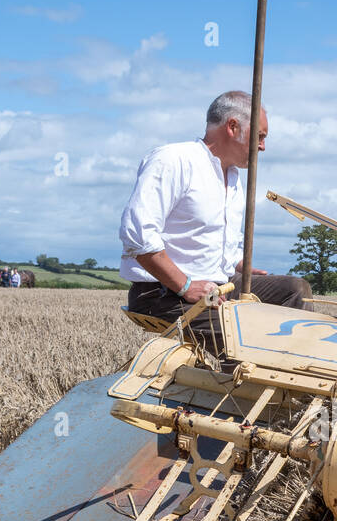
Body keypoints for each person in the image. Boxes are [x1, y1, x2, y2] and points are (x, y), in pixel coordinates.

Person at [118, 90, 311, 354]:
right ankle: (241, 384)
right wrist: (185, 286)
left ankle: (293, 369)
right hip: (163, 296)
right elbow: (137, 236)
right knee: (249, 333)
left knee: (295, 290)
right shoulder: (173, 160)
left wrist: (237, 264)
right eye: (260, 136)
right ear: (232, 126)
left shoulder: (233, 177)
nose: (263, 147)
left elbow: (212, 241)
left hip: (218, 288)